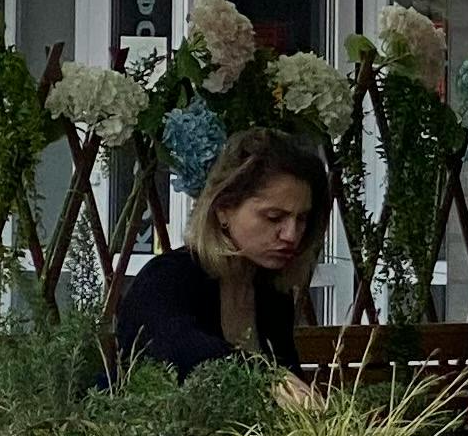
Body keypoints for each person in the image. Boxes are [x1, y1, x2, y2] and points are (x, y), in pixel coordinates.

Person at [117, 131, 330, 387]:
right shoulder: (166, 279)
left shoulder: (271, 294)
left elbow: (292, 387)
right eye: (274, 217)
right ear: (223, 210)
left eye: (302, 219)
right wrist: (268, 378)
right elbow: (182, 352)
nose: (291, 234)